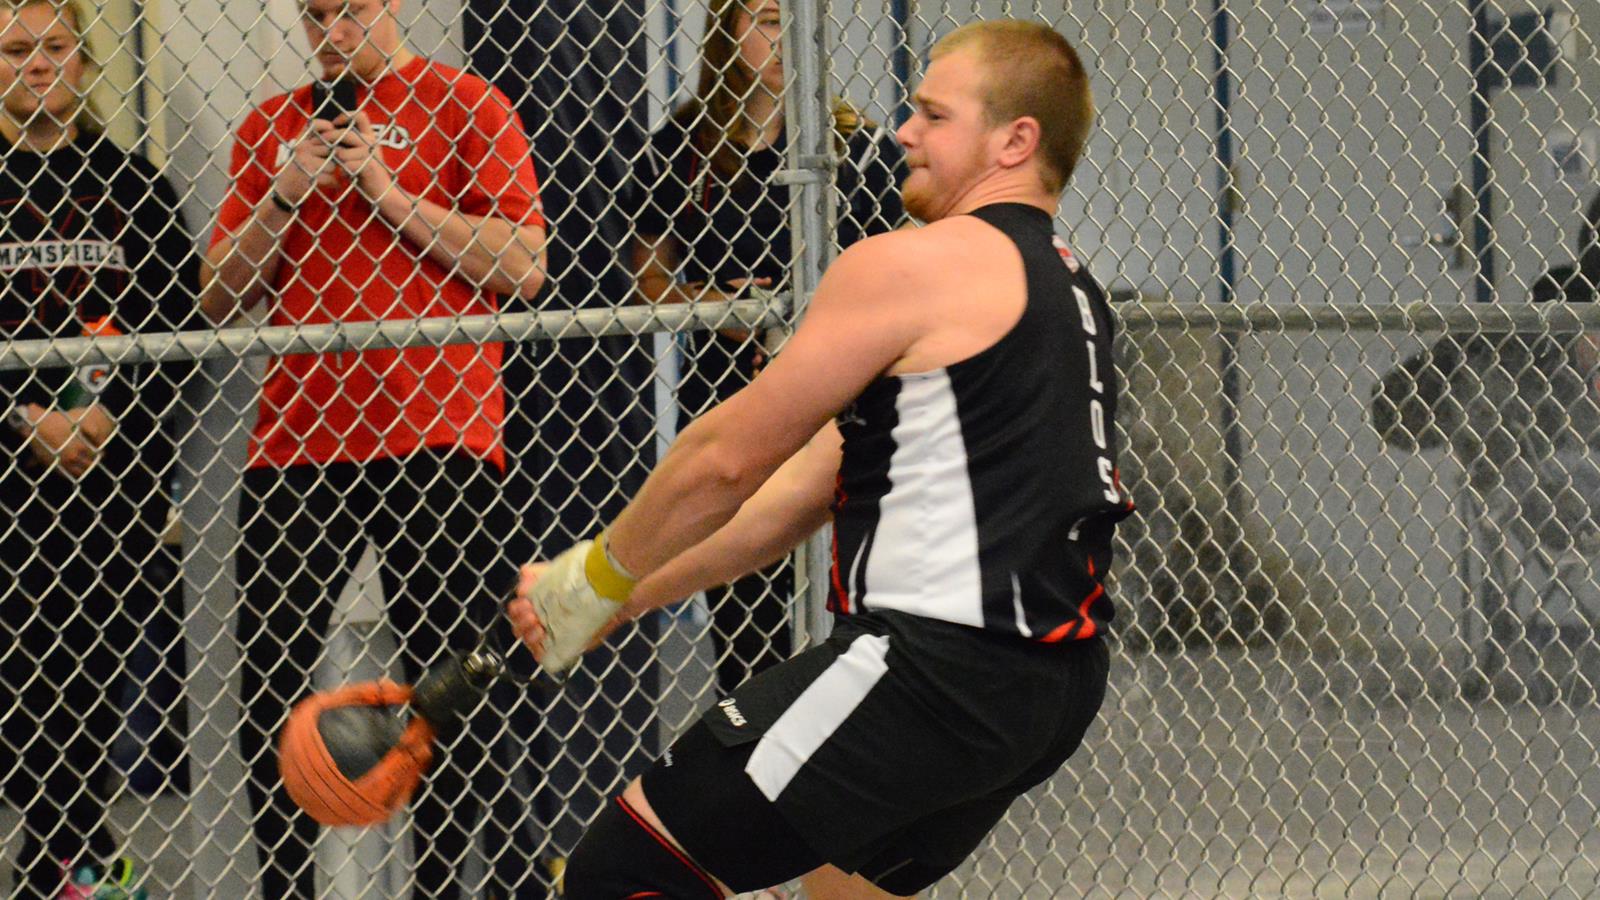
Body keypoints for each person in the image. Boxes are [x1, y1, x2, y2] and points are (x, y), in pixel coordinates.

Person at [510, 19, 1133, 897]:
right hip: (1051, 686)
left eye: (934, 115)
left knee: (624, 869)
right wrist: (630, 596)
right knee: (841, 885)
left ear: (1015, 140)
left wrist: (593, 575)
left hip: (927, 668)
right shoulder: (1071, 287)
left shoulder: (913, 265)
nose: (905, 132)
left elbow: (725, 458)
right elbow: (808, 484)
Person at [197, 0, 547, 894]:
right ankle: (285, 884)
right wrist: (286, 192)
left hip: (439, 432)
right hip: (299, 437)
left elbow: (522, 266)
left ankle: (439, 884)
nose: (331, 31)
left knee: (447, 679)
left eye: (348, 11)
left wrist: (389, 195)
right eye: (314, 16)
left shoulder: (466, 102)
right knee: (269, 675)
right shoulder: (274, 126)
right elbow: (217, 295)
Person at [630, 0, 906, 690]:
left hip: (843, 396)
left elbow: (898, 269)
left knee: (857, 590)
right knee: (747, 605)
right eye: (762, 20)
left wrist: (817, 319)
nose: (781, 40)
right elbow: (649, 274)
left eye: (792, 23)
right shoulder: (686, 146)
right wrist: (718, 306)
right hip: (732, 391)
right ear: (726, 34)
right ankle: (754, 732)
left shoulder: (854, 144)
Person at [0, 0, 196, 896]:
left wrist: (111, 422)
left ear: (83, 62)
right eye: (14, 50)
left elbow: (181, 331)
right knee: (24, 694)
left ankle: (65, 866)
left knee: (85, 692)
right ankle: (73, 861)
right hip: (8, 490)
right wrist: (23, 420)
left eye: (53, 47)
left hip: (107, 495)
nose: (36, 64)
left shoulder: (135, 185)